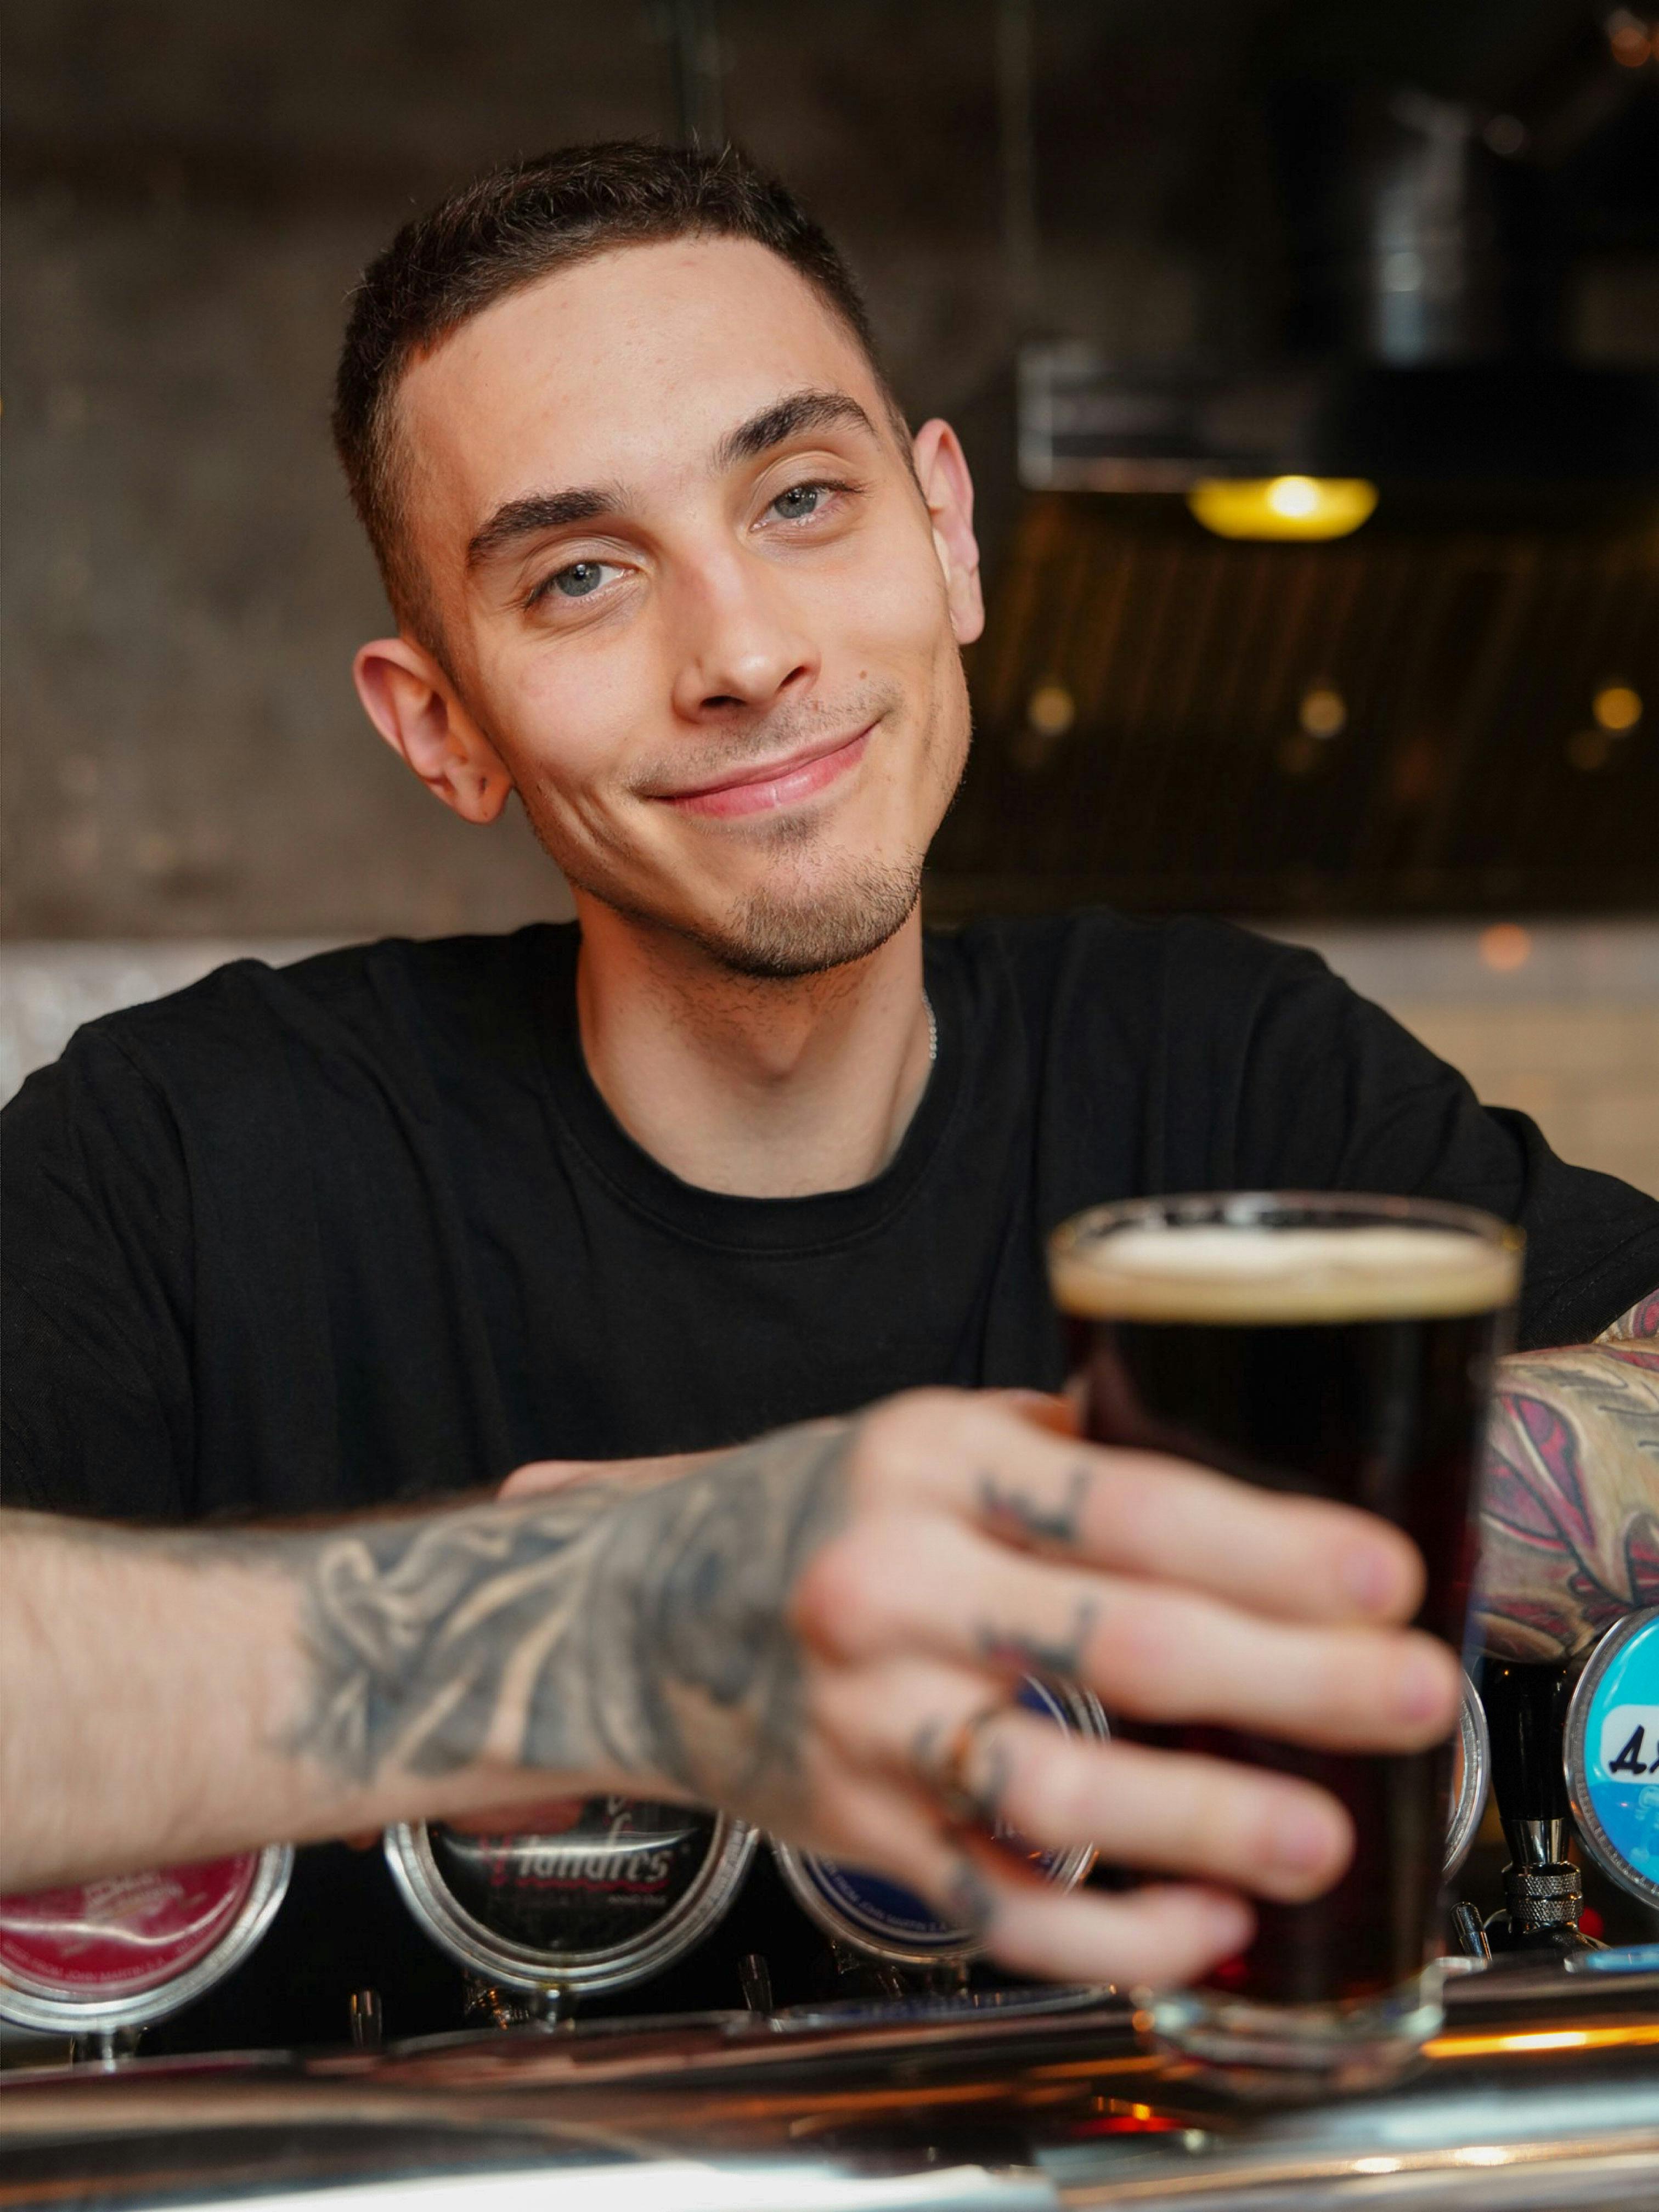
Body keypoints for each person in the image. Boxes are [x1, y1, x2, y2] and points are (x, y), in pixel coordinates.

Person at [4, 143, 1656, 2018]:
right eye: (579, 578)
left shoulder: (1224, 1061)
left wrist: (1059, 1523)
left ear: (947, 534)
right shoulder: (184, 1160)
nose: (747, 650)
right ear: (441, 724)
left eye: (801, 497)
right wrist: (584, 1609)